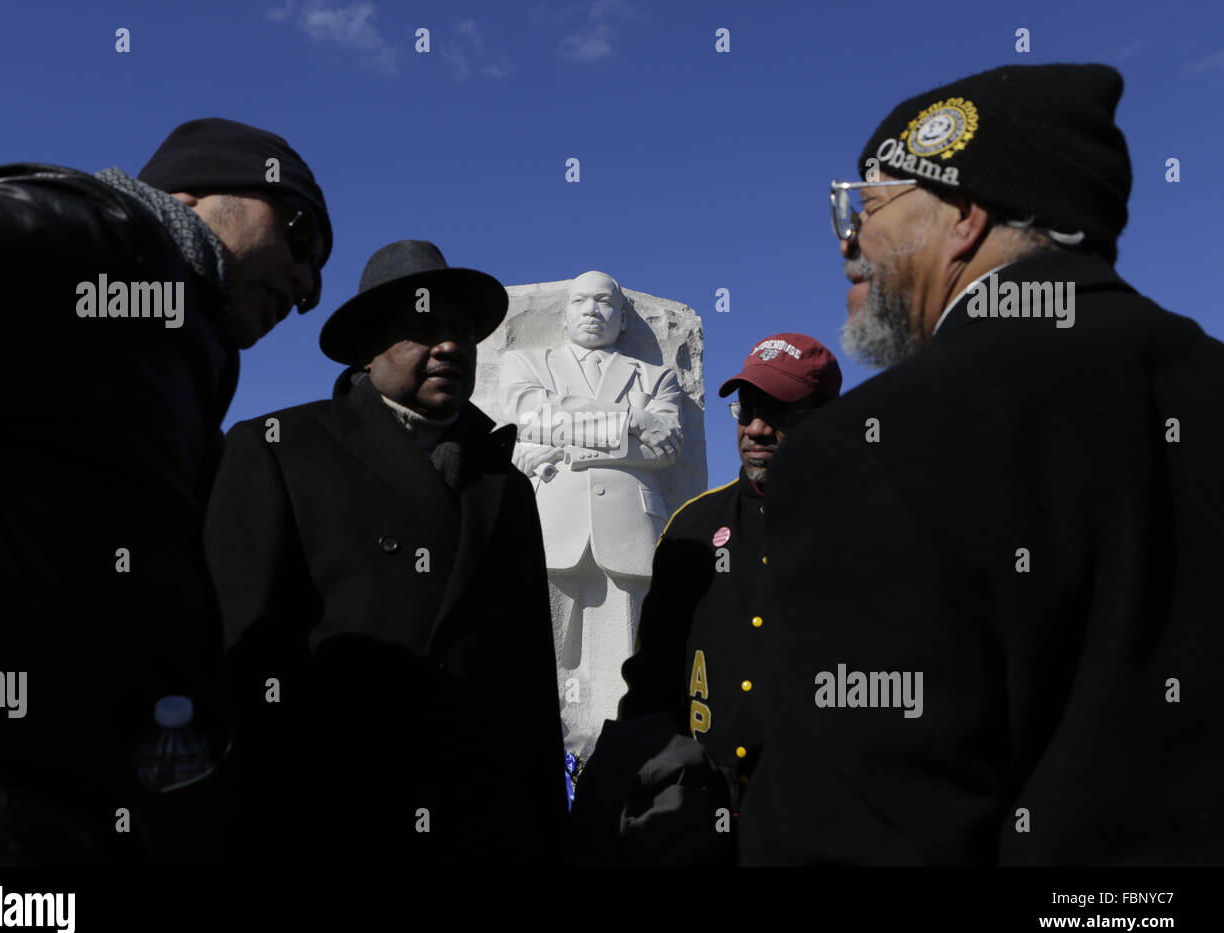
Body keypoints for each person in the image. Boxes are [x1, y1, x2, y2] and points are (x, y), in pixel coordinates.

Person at [741, 63, 1224, 865]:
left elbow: (852, 835)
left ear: (963, 216)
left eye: (865, 206)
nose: (848, 241)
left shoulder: (871, 447)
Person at [0, 117, 331, 865]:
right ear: (192, 192)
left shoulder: (178, 342)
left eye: (318, 281)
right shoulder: (102, 235)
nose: (305, 285)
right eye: (301, 236)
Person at [204, 239, 568, 865]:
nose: (450, 346)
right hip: (331, 818)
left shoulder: (505, 484)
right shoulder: (278, 449)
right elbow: (235, 658)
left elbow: (531, 683)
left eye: (462, 331)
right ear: (368, 350)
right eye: (423, 329)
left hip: (482, 826)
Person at [569, 334, 839, 864]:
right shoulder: (693, 526)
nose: (756, 429)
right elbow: (652, 680)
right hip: (701, 823)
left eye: (779, 411)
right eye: (748, 410)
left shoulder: (873, 521)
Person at [497, 271, 684, 769]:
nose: (592, 309)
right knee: (539, 663)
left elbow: (666, 447)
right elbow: (532, 418)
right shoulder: (526, 362)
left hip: (628, 534)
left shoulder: (656, 377)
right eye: (580, 300)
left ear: (622, 319)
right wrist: (630, 420)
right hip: (549, 530)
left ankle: (612, 776)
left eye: (605, 302)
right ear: (564, 313)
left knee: (623, 670)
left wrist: (564, 441)